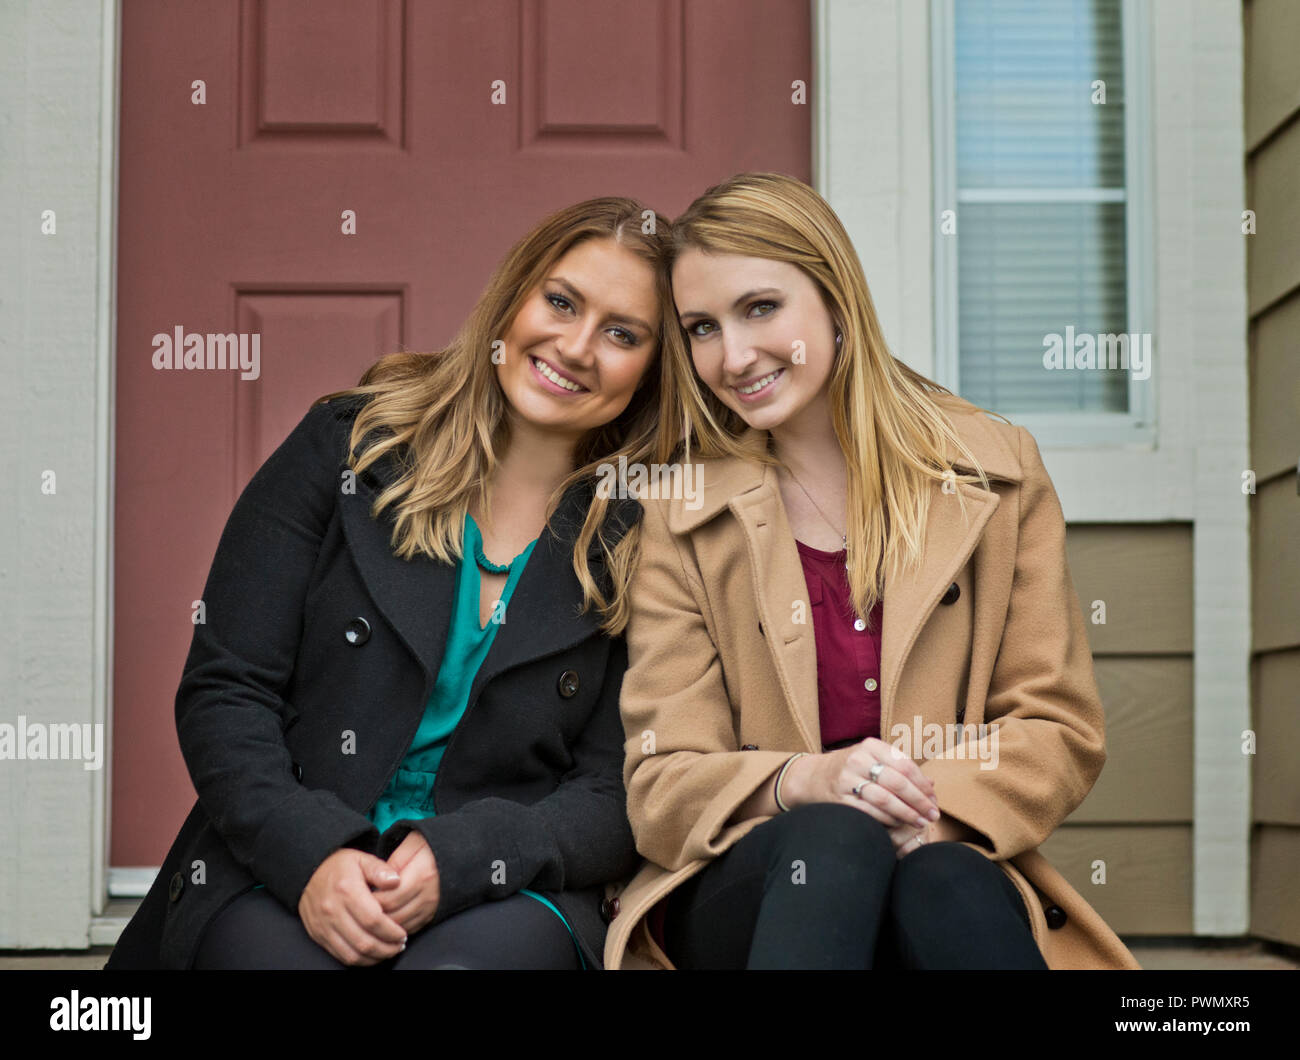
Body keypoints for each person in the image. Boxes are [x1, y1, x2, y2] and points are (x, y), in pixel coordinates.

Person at [106, 196, 672, 969]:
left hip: (505, 888)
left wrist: (468, 857)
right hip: (285, 856)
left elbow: (620, 787)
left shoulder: (649, 534)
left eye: (622, 333)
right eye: (561, 301)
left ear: (652, 369)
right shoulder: (348, 446)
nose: (575, 346)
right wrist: (311, 854)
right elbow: (227, 691)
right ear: (514, 299)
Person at [603, 172, 1141, 970]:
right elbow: (663, 782)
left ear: (834, 297)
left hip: (942, 846)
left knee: (946, 881)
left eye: (760, 309)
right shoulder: (682, 515)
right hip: (748, 890)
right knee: (830, 842)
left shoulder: (994, 475)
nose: (734, 355)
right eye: (701, 328)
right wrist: (810, 782)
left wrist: (928, 816)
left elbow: (1054, 726)